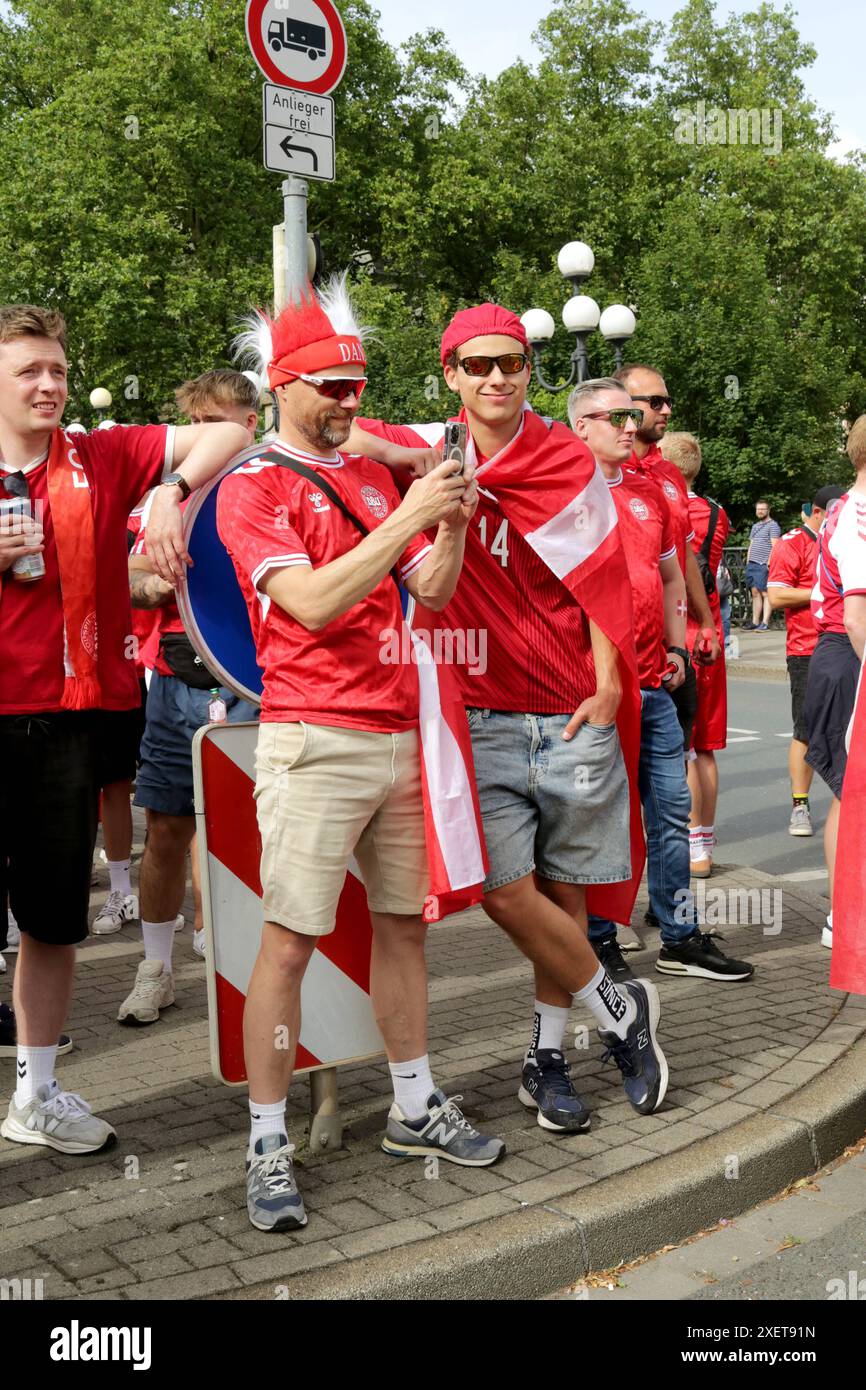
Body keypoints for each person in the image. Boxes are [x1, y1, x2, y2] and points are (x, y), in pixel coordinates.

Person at [217, 277, 507, 1233]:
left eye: (358, 386)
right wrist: (410, 515)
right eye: (331, 388)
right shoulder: (254, 485)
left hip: (399, 730)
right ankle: (265, 1141)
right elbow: (309, 603)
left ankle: (415, 1105)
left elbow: (431, 593)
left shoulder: (380, 478)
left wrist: (452, 524)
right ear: (281, 386)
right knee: (288, 944)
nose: (350, 403)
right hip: (313, 737)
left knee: (404, 928)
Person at [349, 305, 669, 1139]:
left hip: (569, 708)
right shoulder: (430, 449)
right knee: (502, 890)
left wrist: (606, 689)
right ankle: (620, 1008)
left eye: (513, 362)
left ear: (530, 370)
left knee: (565, 897)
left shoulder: (566, 458)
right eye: (478, 364)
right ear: (450, 372)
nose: (497, 377)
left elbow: (603, 578)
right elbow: (316, 428)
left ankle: (546, 1058)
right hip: (480, 715)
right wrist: (169, 493)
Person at [0, 303, 249, 1156]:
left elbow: (229, 438)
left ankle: (35, 1093)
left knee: (51, 922)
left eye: (57, 370)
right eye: (29, 369)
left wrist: (171, 493)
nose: (48, 384)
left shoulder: (99, 456)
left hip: (68, 723)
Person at [572, 388, 752, 983]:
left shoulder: (651, 491)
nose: (632, 426)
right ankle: (598, 942)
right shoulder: (562, 494)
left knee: (672, 812)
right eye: (616, 417)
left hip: (654, 684)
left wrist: (679, 644)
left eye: (634, 415)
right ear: (579, 428)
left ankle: (677, 935)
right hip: (597, 690)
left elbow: (673, 575)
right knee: (602, 818)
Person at [116, 371, 260, 1022]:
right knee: (168, 831)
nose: (199, 439)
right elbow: (132, 577)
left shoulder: (274, 481)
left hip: (255, 688)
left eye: (216, 423)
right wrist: (161, 582)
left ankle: (268, 973)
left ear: (249, 424)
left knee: (259, 836)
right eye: (193, 425)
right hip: (174, 686)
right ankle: (156, 969)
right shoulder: (162, 501)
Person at [613, 366, 722, 759]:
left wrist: (706, 623)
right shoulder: (600, 470)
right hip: (618, 654)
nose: (667, 411)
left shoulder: (670, 474)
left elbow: (683, 554)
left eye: (668, 402)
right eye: (656, 402)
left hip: (670, 653)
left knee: (672, 782)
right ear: (624, 405)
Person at [803, 419, 866, 949]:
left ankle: (844, 911)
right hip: (847, 655)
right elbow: (855, 616)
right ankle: (843, 914)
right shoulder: (858, 514)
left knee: (853, 790)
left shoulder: (846, 508)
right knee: (852, 790)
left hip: (839, 652)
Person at [661, 432, 730, 879]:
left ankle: (687, 846)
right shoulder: (718, 513)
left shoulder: (667, 505)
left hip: (677, 631)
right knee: (705, 748)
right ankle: (704, 841)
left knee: (680, 749)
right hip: (712, 632)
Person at [768, 485, 845, 838]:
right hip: (805, 650)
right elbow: (777, 594)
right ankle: (800, 805)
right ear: (820, 512)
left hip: (844, 646)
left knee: (846, 730)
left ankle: (846, 803)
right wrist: (822, 592)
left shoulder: (846, 538)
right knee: (805, 728)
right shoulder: (793, 542)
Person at [743, 500, 781, 630]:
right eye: (758, 509)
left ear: (768, 510)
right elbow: (751, 545)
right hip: (752, 564)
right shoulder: (755, 526)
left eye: (762, 509)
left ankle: (764, 622)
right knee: (754, 592)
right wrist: (748, 561)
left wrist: (768, 563)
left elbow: (775, 546)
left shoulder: (773, 526)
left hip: (763, 564)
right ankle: (755, 622)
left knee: (765, 593)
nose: (760, 511)